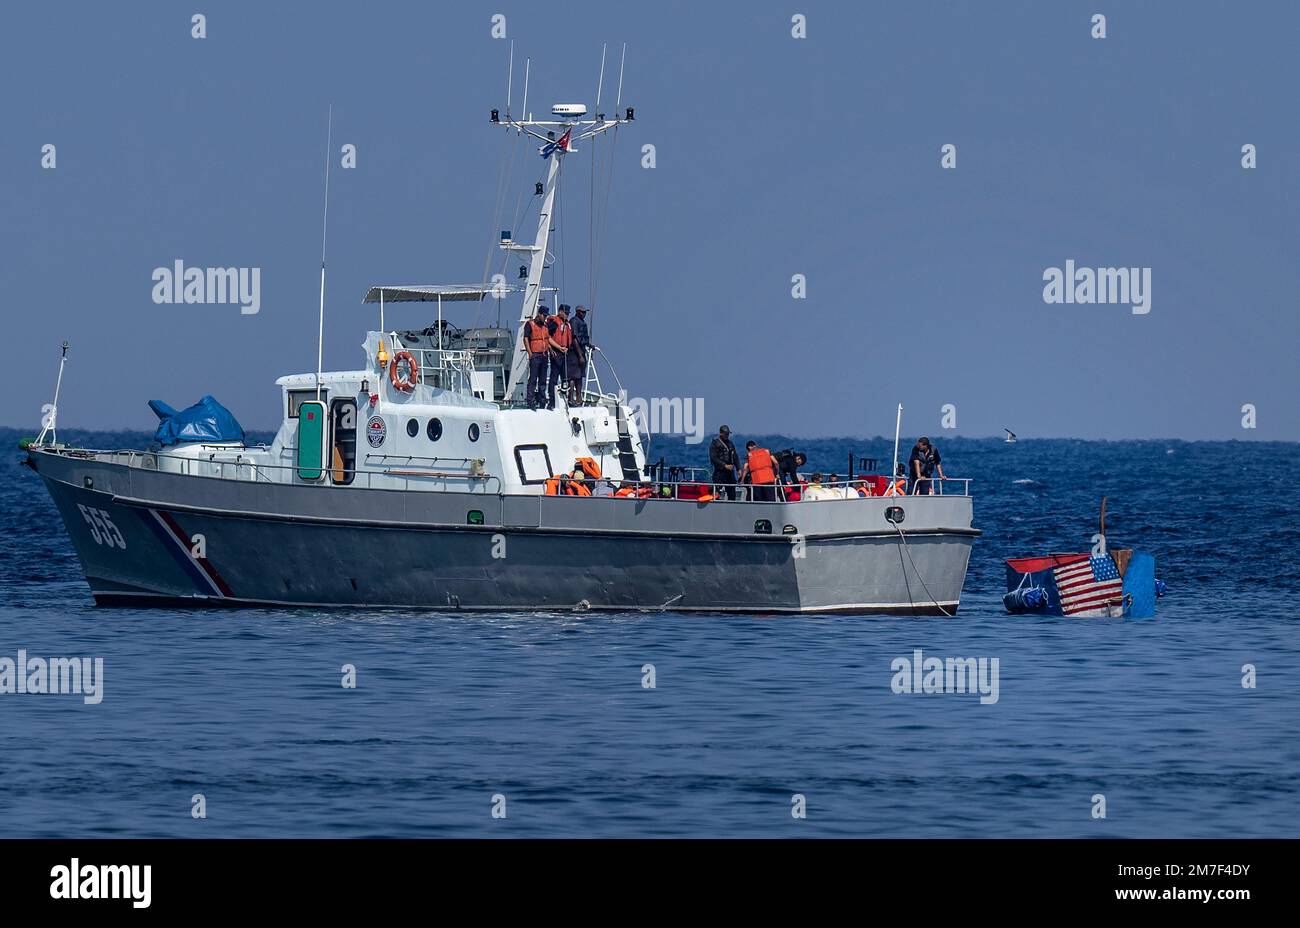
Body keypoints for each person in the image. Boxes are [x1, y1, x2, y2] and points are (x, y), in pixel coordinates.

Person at [545, 305, 574, 409]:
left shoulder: (567, 324)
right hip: (557, 352)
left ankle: (565, 400)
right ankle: (552, 402)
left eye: (568, 313)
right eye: (565, 312)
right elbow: (547, 336)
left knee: (565, 378)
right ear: (560, 312)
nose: (567, 315)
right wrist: (557, 347)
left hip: (565, 353)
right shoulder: (554, 322)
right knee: (554, 377)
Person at [523, 306, 552, 409]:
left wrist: (550, 350)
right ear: (539, 314)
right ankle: (530, 400)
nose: (545, 317)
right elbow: (526, 339)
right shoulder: (530, 324)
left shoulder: (545, 326)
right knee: (533, 379)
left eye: (546, 316)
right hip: (535, 354)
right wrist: (530, 353)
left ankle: (542, 400)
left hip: (544, 355)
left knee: (543, 379)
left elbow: (547, 339)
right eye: (544, 315)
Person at [568, 305, 591, 405]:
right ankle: (570, 397)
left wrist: (589, 345)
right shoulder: (574, 321)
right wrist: (580, 355)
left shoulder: (582, 322)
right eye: (582, 312)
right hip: (574, 352)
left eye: (585, 312)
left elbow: (583, 338)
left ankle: (579, 397)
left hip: (582, 350)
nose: (584, 314)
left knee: (580, 376)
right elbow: (574, 338)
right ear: (577, 312)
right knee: (573, 376)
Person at [709, 425, 739, 500]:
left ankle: (732, 507)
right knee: (717, 492)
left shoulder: (730, 443)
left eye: (728, 434)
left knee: (732, 492)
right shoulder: (714, 443)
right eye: (726, 434)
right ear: (721, 433)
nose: (727, 436)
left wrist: (739, 468)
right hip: (720, 472)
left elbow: (735, 456)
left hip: (730, 473)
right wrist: (724, 465)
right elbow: (713, 458)